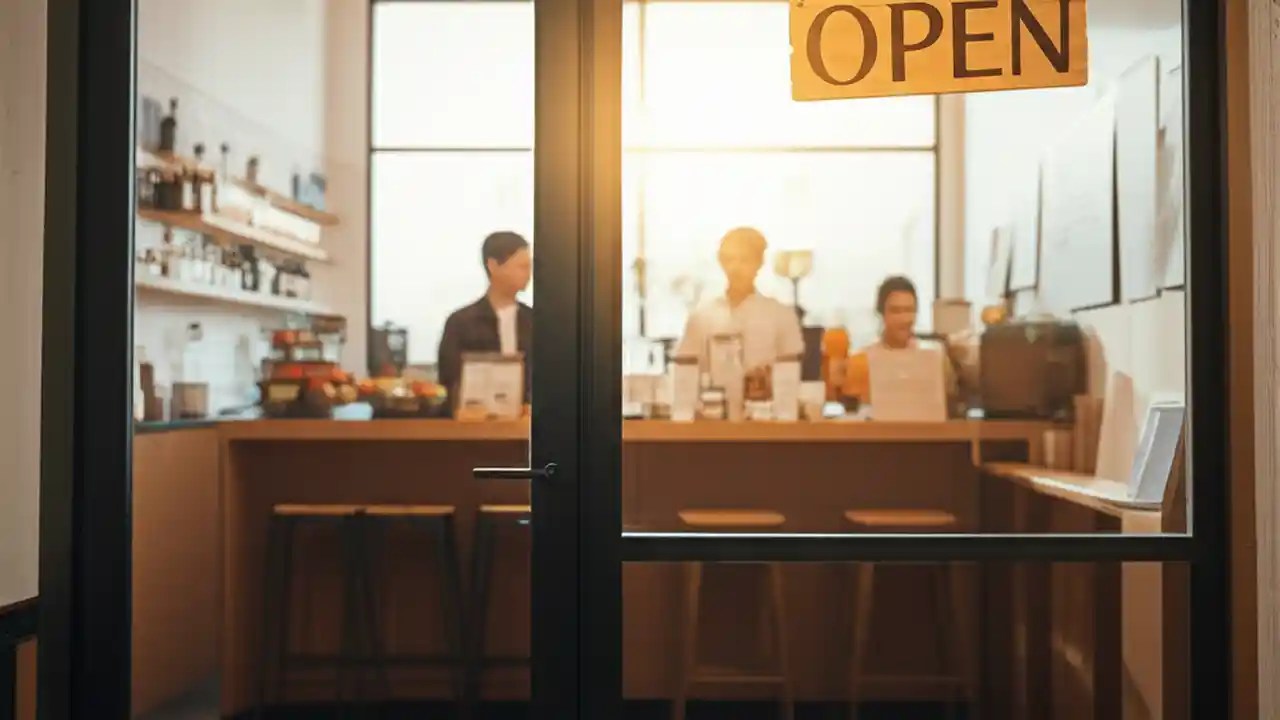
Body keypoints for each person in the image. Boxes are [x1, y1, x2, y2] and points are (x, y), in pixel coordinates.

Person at [675, 227, 804, 377]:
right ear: (721, 262)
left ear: (759, 262)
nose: (736, 268)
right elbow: (683, 371)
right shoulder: (701, 317)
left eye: (744, 260)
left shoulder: (781, 315)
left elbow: (793, 374)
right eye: (730, 260)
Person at [436, 231, 533, 409]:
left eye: (530, 266)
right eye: (522, 266)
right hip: (473, 425)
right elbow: (449, 379)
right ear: (493, 266)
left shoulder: (535, 322)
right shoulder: (461, 323)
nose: (529, 273)